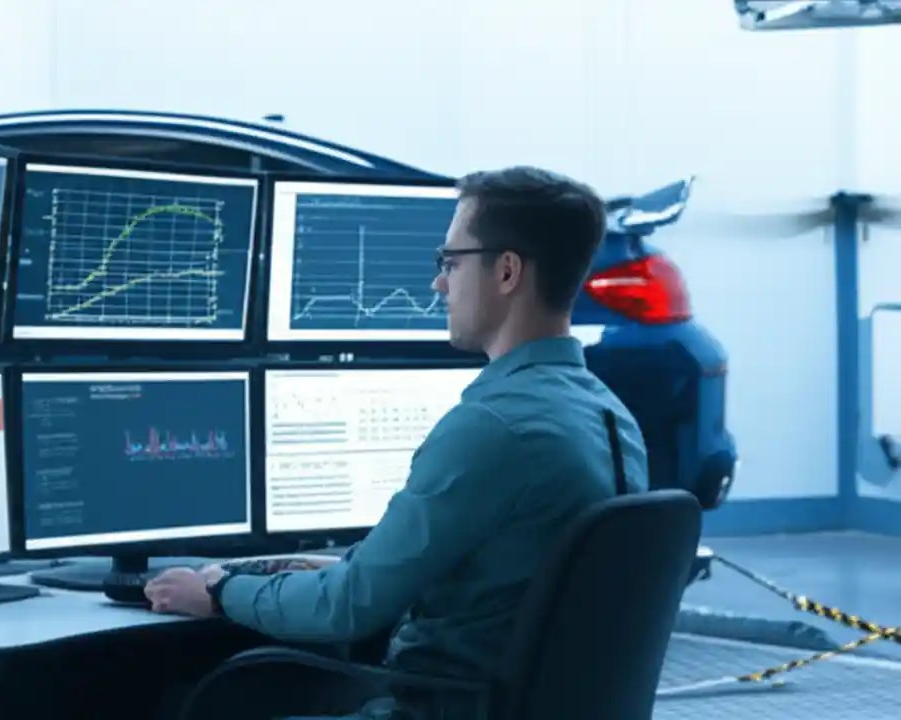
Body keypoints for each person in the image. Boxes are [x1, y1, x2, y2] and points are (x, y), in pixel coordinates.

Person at [145, 166, 649, 719]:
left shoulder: (493, 427)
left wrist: (218, 592)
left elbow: (347, 609)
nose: (439, 283)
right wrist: (330, 568)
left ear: (506, 271)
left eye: (451, 263)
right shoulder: (609, 416)